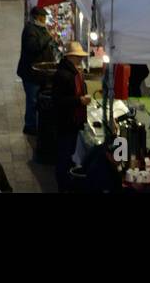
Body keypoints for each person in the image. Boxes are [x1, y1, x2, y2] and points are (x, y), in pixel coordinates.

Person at [52, 40, 91, 192]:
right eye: (77, 56)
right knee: (64, 156)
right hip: (66, 123)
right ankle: (63, 186)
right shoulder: (63, 75)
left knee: (67, 155)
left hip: (72, 122)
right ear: (70, 57)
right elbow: (58, 100)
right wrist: (79, 100)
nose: (80, 59)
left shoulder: (75, 72)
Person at [17, 6, 54, 134]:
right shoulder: (30, 30)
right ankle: (30, 126)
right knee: (32, 100)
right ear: (36, 18)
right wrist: (48, 37)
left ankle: (36, 124)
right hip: (31, 73)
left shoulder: (40, 29)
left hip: (39, 73)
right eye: (42, 17)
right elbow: (33, 47)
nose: (44, 20)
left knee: (36, 100)